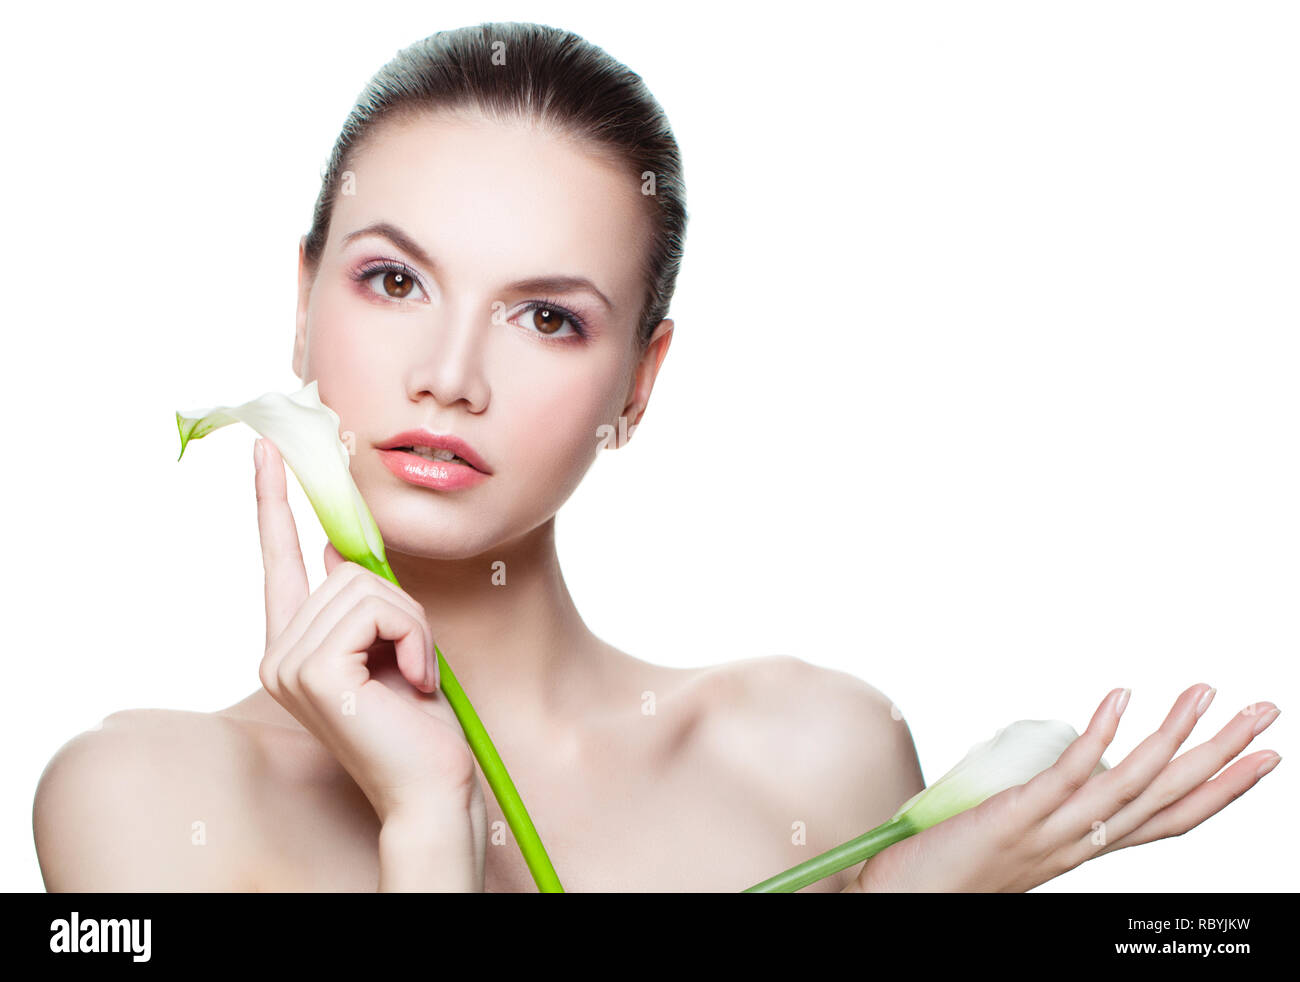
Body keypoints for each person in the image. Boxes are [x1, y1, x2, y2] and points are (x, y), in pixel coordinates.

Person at [32, 21, 1281, 893]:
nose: (451, 374)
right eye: (394, 280)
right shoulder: (138, 796)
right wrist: (426, 829)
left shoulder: (815, 750)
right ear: (303, 306)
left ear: (638, 379)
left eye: (548, 316)